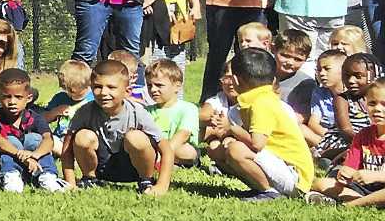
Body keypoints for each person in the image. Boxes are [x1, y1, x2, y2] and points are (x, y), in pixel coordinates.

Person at [203, 45, 313, 200]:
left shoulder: (261, 104)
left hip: (295, 177)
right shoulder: (260, 98)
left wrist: (231, 129)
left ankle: (270, 192)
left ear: (235, 80)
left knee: (236, 150)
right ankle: (262, 189)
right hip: (282, 168)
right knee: (223, 150)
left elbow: (257, 144)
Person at [63, 62, 163, 190]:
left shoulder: (137, 112)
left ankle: (146, 181)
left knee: (135, 137)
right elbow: (66, 150)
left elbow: (166, 150)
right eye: (98, 86)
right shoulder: (84, 112)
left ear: (127, 91)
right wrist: (70, 183)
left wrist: (162, 186)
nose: (103, 92)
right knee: (82, 136)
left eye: (111, 87)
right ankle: (90, 179)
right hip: (102, 168)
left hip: (133, 168)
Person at [0, 68, 61, 193]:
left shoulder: (35, 118)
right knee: (10, 140)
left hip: (30, 163)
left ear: (28, 98)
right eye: (7, 96)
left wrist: (34, 155)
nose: (12, 102)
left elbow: (48, 140)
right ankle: (10, 177)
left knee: (35, 139)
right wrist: (22, 156)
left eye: (18, 97)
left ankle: (47, 176)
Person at [312, 79, 385, 206]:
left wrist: (377, 176)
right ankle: (367, 202)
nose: (377, 109)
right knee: (320, 183)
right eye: (372, 103)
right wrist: (345, 175)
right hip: (364, 189)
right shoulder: (363, 135)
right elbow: (350, 167)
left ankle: (351, 204)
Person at [144, 58, 199, 193]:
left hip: (177, 149)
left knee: (186, 151)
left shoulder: (187, 108)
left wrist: (165, 154)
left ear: (177, 86)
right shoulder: (147, 111)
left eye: (159, 85)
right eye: (149, 85)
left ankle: (168, 163)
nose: (153, 90)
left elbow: (183, 134)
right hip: (156, 150)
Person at [40, 57, 92, 137]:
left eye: (73, 90)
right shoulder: (61, 98)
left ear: (87, 85)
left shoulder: (93, 99)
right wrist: (55, 112)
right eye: (66, 89)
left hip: (79, 139)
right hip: (59, 138)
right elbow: (42, 119)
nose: (69, 93)